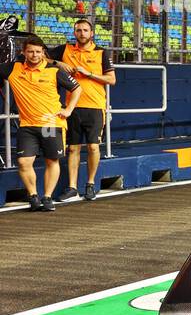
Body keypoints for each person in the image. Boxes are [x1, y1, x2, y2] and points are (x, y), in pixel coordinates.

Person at [1, 36, 81, 211]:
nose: (34, 55)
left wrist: (68, 111)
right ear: (23, 52)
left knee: (51, 160)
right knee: (23, 162)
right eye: (30, 51)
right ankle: (33, 196)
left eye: (38, 51)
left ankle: (47, 197)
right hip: (27, 126)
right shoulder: (13, 69)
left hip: (49, 124)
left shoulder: (54, 71)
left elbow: (77, 88)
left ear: (43, 53)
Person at [50, 18, 115, 201]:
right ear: (74, 33)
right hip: (72, 108)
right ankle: (72, 188)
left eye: (85, 30)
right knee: (73, 148)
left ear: (91, 33)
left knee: (93, 146)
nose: (82, 33)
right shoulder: (65, 49)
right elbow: (41, 56)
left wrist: (89, 74)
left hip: (95, 106)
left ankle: (90, 184)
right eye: (78, 30)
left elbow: (112, 80)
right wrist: (58, 64)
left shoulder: (101, 52)